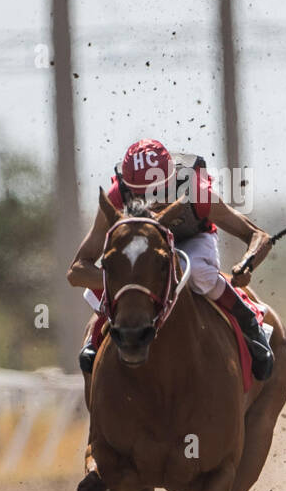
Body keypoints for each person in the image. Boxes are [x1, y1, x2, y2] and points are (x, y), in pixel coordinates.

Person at [66, 138, 274, 379]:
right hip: (144, 246)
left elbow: (258, 235)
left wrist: (248, 262)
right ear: (127, 189)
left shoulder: (197, 192)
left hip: (193, 240)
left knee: (194, 269)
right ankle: (96, 335)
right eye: (139, 197)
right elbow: (76, 271)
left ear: (172, 182)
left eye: (157, 193)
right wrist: (124, 278)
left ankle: (249, 322)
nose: (150, 204)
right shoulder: (116, 196)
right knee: (125, 267)